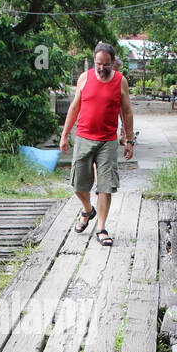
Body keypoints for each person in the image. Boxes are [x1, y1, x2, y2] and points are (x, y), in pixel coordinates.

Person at [59, 43, 134, 247]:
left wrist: (129, 140)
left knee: (106, 186)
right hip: (83, 137)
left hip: (107, 141)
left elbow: (126, 112)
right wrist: (65, 135)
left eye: (106, 64)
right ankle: (87, 209)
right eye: (98, 64)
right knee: (78, 184)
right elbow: (74, 108)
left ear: (113, 62)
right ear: (95, 61)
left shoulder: (120, 81)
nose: (102, 68)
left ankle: (101, 228)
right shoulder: (84, 78)